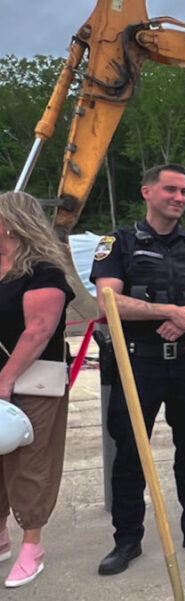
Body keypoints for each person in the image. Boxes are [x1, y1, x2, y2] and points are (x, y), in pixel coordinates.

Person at [90, 165, 185, 576]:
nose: (179, 197)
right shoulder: (118, 242)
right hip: (140, 363)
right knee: (131, 454)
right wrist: (167, 311)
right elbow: (108, 303)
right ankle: (127, 540)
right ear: (147, 192)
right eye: (170, 189)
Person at [0, 191, 75, 587]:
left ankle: (32, 545)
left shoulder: (43, 271)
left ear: (11, 223)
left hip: (32, 382)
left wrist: (6, 378)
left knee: (30, 462)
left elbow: (39, 330)